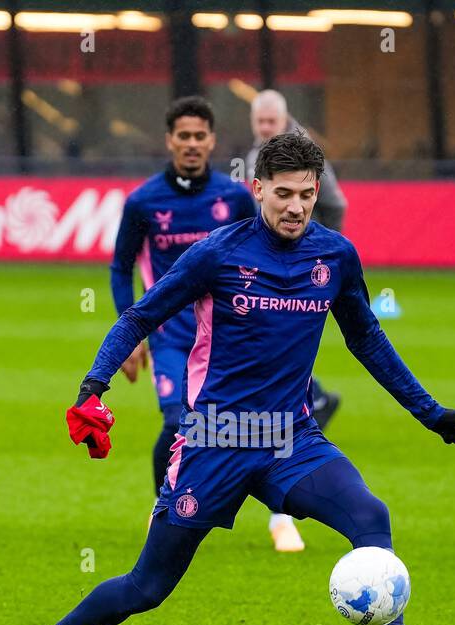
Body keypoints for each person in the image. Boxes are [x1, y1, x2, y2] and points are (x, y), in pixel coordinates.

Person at [0, 132, 455, 625]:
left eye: (307, 195)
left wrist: (429, 412)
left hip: (291, 439)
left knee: (371, 515)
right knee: (147, 589)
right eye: (284, 193)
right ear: (258, 189)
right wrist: (93, 387)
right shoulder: (218, 253)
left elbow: (366, 337)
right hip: (214, 441)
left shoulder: (335, 256)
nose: (296, 207)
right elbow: (141, 315)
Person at [111, 96, 311, 552]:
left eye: (200, 136)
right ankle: (165, 512)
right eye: (184, 136)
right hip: (171, 334)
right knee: (177, 420)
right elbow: (121, 268)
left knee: (260, 419)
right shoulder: (143, 202)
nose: (192, 144)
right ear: (170, 141)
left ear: (212, 140)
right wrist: (130, 336)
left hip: (233, 335)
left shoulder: (234, 197)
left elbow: (266, 252)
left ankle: (281, 517)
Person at [247, 90, 348, 233]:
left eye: (271, 121)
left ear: (284, 119)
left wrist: (326, 245)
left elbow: (333, 204)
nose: (265, 128)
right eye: (260, 121)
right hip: (269, 247)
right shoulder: (255, 153)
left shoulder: (306, 153)